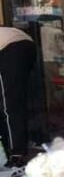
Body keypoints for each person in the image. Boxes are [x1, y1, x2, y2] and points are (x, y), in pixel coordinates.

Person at [0, 26, 36, 165]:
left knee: (9, 106)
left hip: (10, 48)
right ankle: (14, 150)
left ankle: (16, 154)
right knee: (11, 101)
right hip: (23, 44)